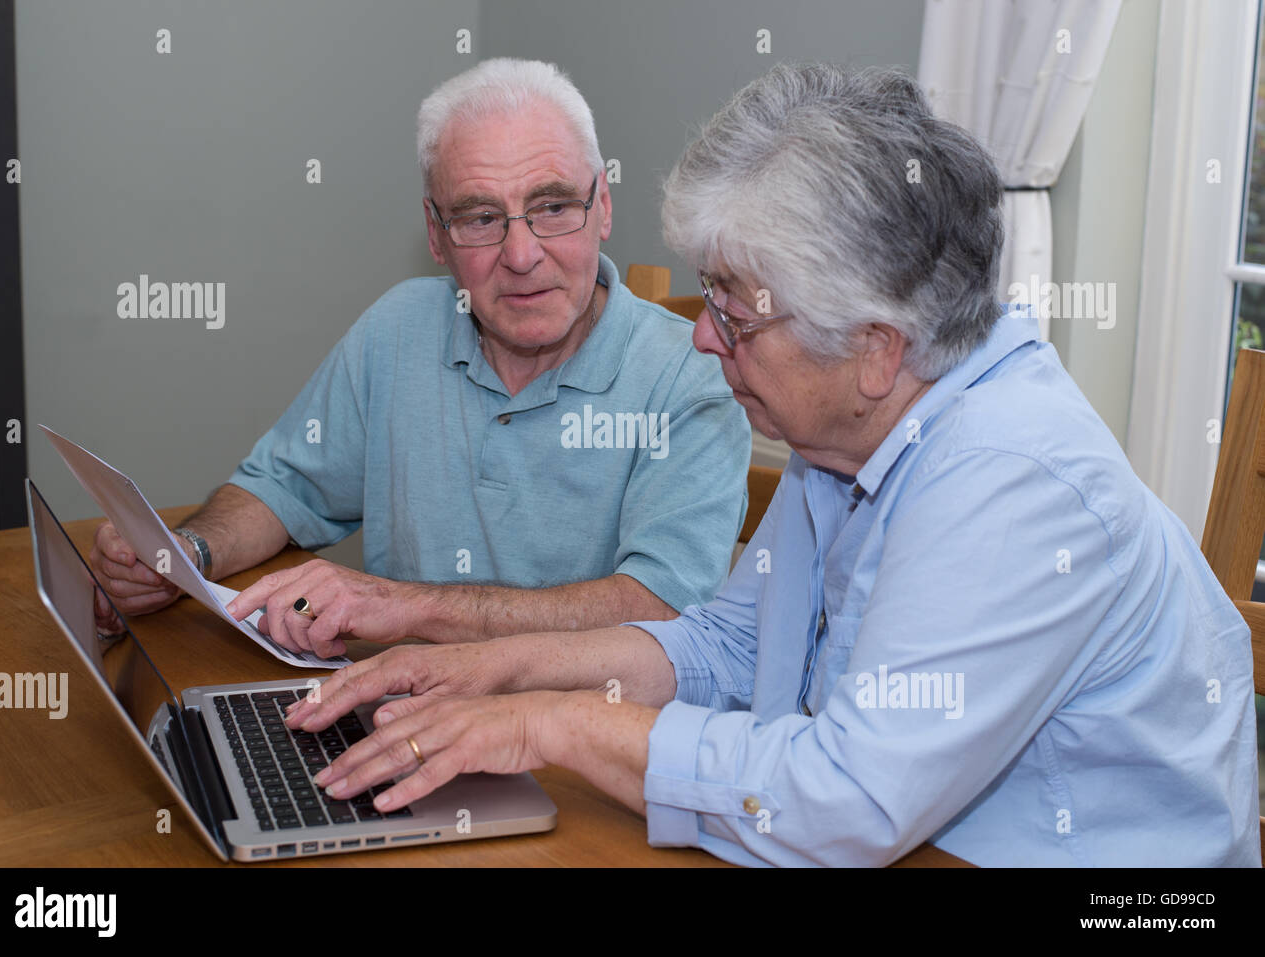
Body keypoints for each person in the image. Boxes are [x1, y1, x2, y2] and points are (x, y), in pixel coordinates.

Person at [279, 63, 1261, 867]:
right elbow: (728, 650)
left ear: (876, 347)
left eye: (734, 312)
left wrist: (547, 728)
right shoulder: (854, 434)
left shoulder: (1013, 485)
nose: (701, 340)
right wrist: (480, 672)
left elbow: (844, 799)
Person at [88, 58, 750, 658]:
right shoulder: (399, 328)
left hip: (578, 757)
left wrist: (405, 604)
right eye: (480, 218)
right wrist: (184, 553)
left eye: (552, 207)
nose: (521, 257)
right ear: (436, 233)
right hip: (395, 722)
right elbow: (283, 488)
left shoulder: (693, 375)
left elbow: (661, 612)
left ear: (602, 205)